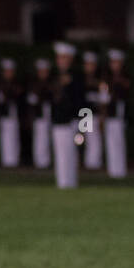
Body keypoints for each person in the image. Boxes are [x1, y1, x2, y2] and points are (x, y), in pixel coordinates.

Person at [50, 42, 85, 189]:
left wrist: (85, 126)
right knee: (61, 154)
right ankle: (63, 183)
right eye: (59, 57)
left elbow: (83, 103)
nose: (60, 60)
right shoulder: (55, 76)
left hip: (73, 121)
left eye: (64, 57)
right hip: (59, 121)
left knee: (71, 154)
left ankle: (70, 183)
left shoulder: (77, 77)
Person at [103, 49, 130, 178]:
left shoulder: (124, 77)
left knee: (119, 142)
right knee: (111, 143)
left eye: (117, 62)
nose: (114, 65)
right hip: (110, 114)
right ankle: (113, 171)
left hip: (120, 114)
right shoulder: (107, 78)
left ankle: (120, 171)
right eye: (112, 62)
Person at [0, 58, 23, 167]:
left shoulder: (17, 83)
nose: (8, 73)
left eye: (10, 71)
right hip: (4, 116)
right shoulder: (0, 84)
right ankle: (7, 161)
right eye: (6, 71)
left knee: (15, 138)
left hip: (15, 115)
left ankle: (15, 161)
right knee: (5, 138)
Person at [28, 57, 54, 169]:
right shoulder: (34, 84)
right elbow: (31, 101)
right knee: (40, 138)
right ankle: (40, 162)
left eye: (45, 71)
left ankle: (50, 161)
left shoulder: (52, 83)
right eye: (41, 71)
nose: (43, 73)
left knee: (53, 137)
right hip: (39, 115)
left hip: (52, 114)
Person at [81, 51, 105, 170]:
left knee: (94, 139)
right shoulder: (81, 80)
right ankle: (86, 163)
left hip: (93, 114)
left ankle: (93, 164)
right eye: (87, 64)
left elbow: (103, 100)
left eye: (92, 64)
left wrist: (102, 116)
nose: (89, 67)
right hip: (83, 113)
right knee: (82, 139)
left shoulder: (99, 81)